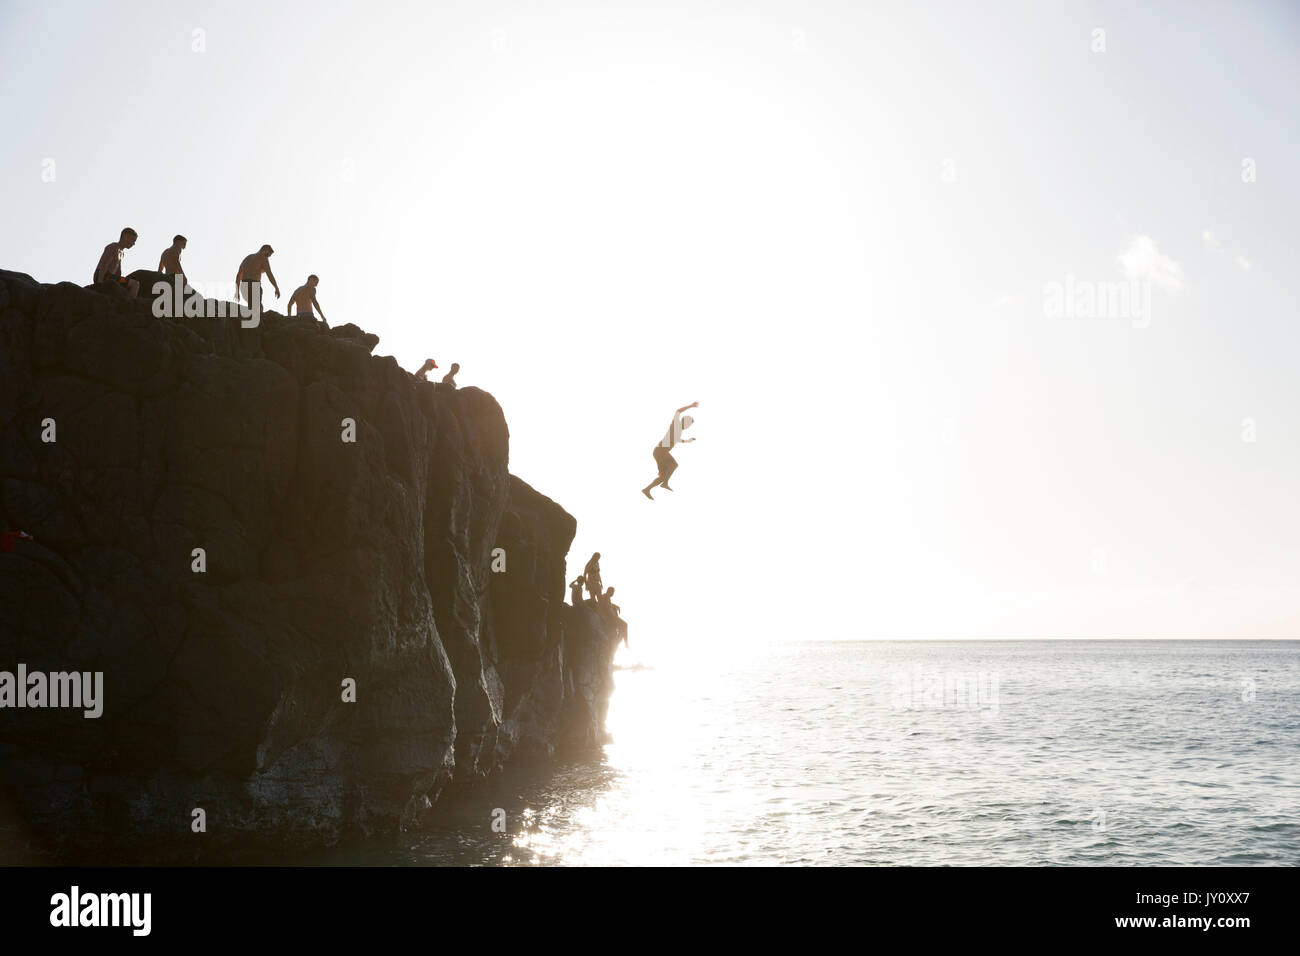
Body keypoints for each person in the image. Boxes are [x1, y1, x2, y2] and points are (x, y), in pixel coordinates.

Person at [642, 401, 699, 500]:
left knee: (664, 474)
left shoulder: (679, 431)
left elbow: (677, 440)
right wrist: (691, 405)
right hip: (660, 451)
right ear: (684, 421)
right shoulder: (676, 424)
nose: (688, 426)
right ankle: (663, 483)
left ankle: (649, 488)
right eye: (688, 424)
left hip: (661, 452)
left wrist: (688, 441)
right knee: (673, 465)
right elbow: (678, 411)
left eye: (690, 425)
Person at [93, 227, 140, 297]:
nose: (134, 244)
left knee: (130, 285)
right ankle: (131, 305)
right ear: (125, 236)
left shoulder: (122, 253)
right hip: (105, 276)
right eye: (133, 240)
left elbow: (118, 272)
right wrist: (99, 283)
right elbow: (104, 265)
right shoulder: (113, 247)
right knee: (135, 284)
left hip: (112, 278)